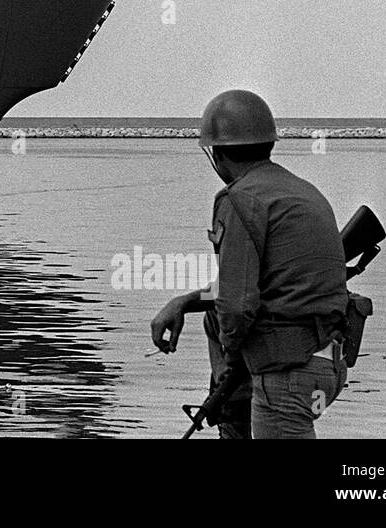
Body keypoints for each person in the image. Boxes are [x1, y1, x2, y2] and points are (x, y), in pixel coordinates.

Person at [150, 89, 349, 439]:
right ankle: (234, 415)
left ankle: (233, 407)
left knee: (224, 317)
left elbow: (237, 305)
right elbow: (259, 290)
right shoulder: (302, 190)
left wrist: (232, 363)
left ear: (218, 154)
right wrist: (185, 301)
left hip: (286, 375)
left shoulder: (239, 200)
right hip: (328, 366)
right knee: (215, 317)